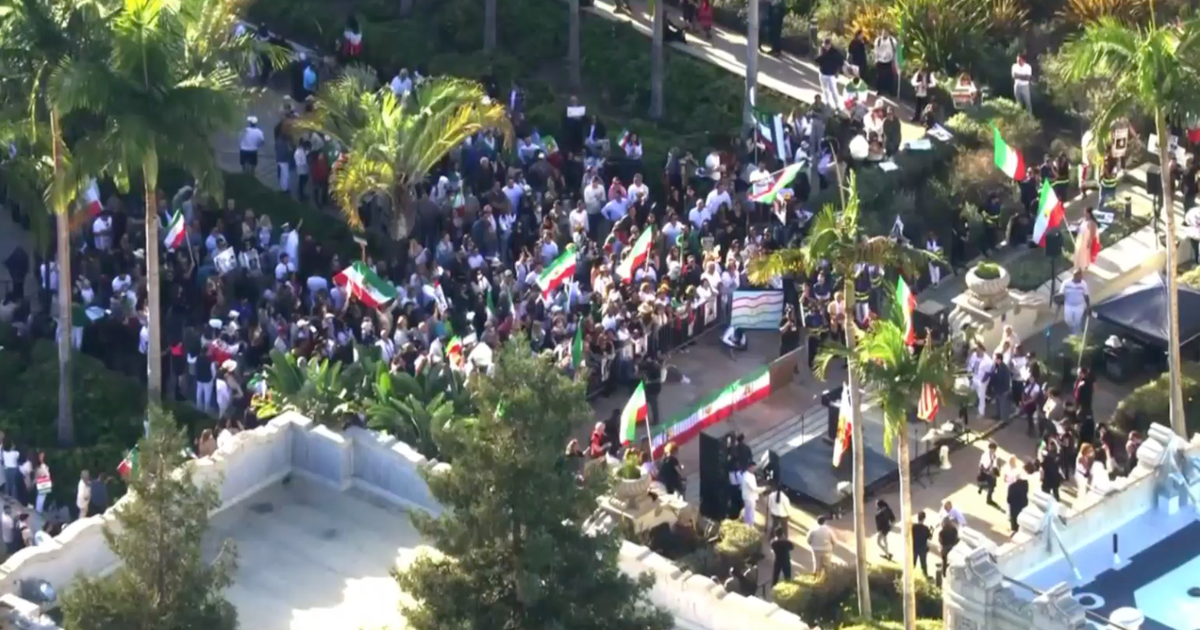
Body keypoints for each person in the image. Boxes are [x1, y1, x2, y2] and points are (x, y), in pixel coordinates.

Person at [1059, 267, 1090, 335]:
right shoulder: (1066, 283)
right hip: (1068, 305)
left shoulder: (1083, 284)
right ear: (1074, 276)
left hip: (1079, 305)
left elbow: (1086, 296)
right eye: (1079, 276)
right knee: (1068, 320)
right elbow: (1061, 294)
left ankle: (1077, 334)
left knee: (1077, 321)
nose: (1081, 278)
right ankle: (1073, 330)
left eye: (1081, 276)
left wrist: (1088, 307)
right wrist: (1059, 299)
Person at [815, 39, 844, 108]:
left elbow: (841, 61)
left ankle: (837, 105)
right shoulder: (822, 51)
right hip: (823, 73)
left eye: (828, 45)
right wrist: (822, 54)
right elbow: (817, 60)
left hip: (831, 75)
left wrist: (837, 70)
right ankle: (827, 103)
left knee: (833, 90)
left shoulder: (835, 52)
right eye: (825, 45)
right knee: (825, 90)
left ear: (830, 45)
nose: (826, 46)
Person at [1006, 461, 1032, 535]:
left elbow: (1009, 497)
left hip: (1014, 504)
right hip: (1021, 504)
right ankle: (1019, 531)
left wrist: (1009, 501)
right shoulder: (1025, 483)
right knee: (1019, 518)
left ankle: (1014, 531)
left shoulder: (1013, 485)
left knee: (1013, 518)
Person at [1074, 207, 1101, 272]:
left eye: (1085, 212)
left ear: (1088, 213)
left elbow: (1092, 234)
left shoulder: (1092, 223)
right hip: (1080, 238)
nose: (1084, 213)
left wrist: (1090, 242)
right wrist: (1070, 223)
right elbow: (1078, 223)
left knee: (1084, 253)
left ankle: (1084, 266)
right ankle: (1078, 266)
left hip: (1086, 240)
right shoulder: (1084, 220)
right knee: (1078, 252)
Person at [873, 29, 897, 94]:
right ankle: (878, 90)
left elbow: (895, 50)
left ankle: (890, 91)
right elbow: (875, 50)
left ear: (888, 33)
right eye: (883, 33)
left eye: (886, 33)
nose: (884, 34)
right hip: (880, 60)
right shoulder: (878, 40)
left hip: (889, 61)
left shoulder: (892, 41)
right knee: (879, 76)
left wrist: (895, 61)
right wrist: (876, 59)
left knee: (889, 76)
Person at [978, 441, 1001, 507]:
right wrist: (982, 471)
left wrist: (997, 470)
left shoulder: (996, 455)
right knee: (990, 486)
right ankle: (989, 499)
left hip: (992, 473)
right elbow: (981, 464)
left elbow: (996, 464)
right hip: (987, 473)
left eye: (994, 449)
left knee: (992, 486)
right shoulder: (985, 455)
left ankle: (988, 495)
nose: (993, 450)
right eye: (992, 449)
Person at [912, 511, 932, 579]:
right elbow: (930, 537)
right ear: (924, 519)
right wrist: (931, 531)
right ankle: (925, 576)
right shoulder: (925, 528)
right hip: (923, 548)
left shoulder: (913, 527)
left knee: (912, 563)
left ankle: (911, 575)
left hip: (914, 548)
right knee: (923, 563)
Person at [740, 461, 761, 526]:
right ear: (749, 467)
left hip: (752, 497)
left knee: (749, 512)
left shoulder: (752, 475)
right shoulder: (746, 476)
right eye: (753, 468)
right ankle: (749, 525)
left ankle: (748, 525)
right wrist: (764, 489)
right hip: (749, 497)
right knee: (750, 513)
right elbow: (753, 488)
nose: (754, 469)